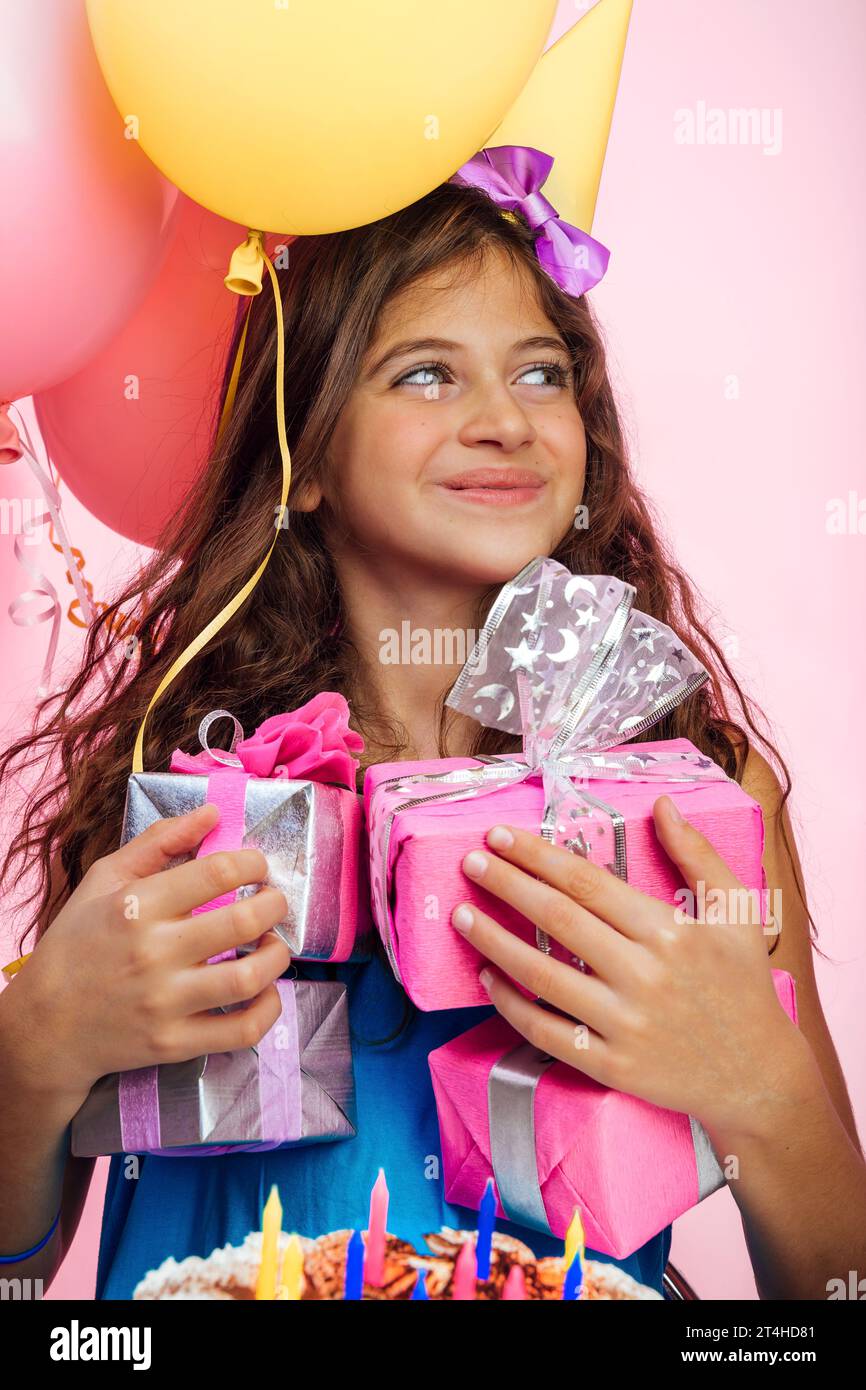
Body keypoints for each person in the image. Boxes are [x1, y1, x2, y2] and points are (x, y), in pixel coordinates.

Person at [1, 175, 864, 1301]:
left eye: (540, 372)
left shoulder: (690, 795)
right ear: (301, 456)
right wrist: (33, 1051)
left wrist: (761, 1087)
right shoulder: (179, 790)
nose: (505, 418)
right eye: (424, 372)